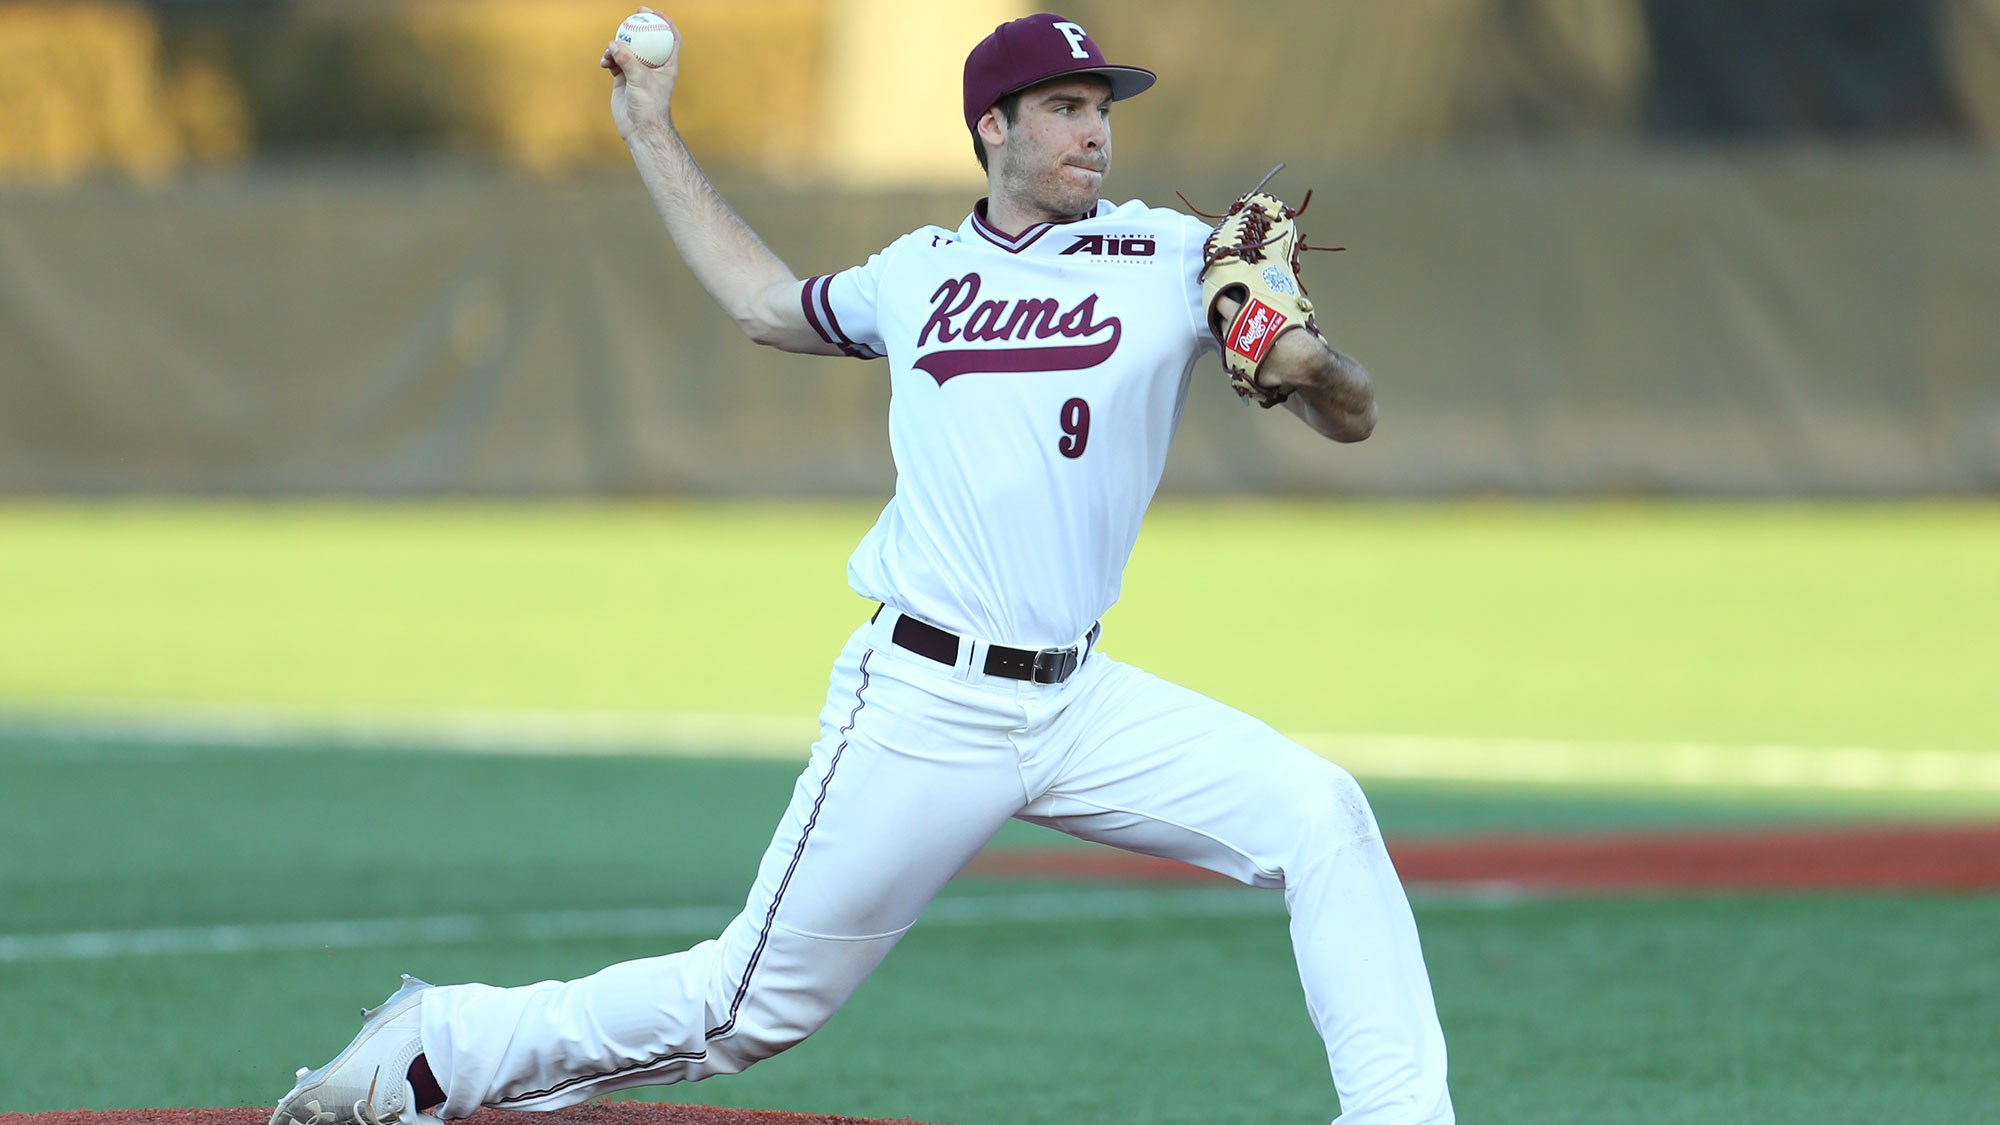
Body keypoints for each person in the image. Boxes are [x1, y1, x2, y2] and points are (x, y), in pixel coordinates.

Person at [269, 11, 1453, 1125]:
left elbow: (1345, 414)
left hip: (1079, 699)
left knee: (1320, 816)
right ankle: (441, 1044)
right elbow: (758, 301)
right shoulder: (915, 272)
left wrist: (1299, 349)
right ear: (992, 124)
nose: (1093, 128)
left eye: (1101, 105)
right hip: (926, 700)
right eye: (1061, 105)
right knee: (742, 1008)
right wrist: (649, 130)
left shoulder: (1170, 253)